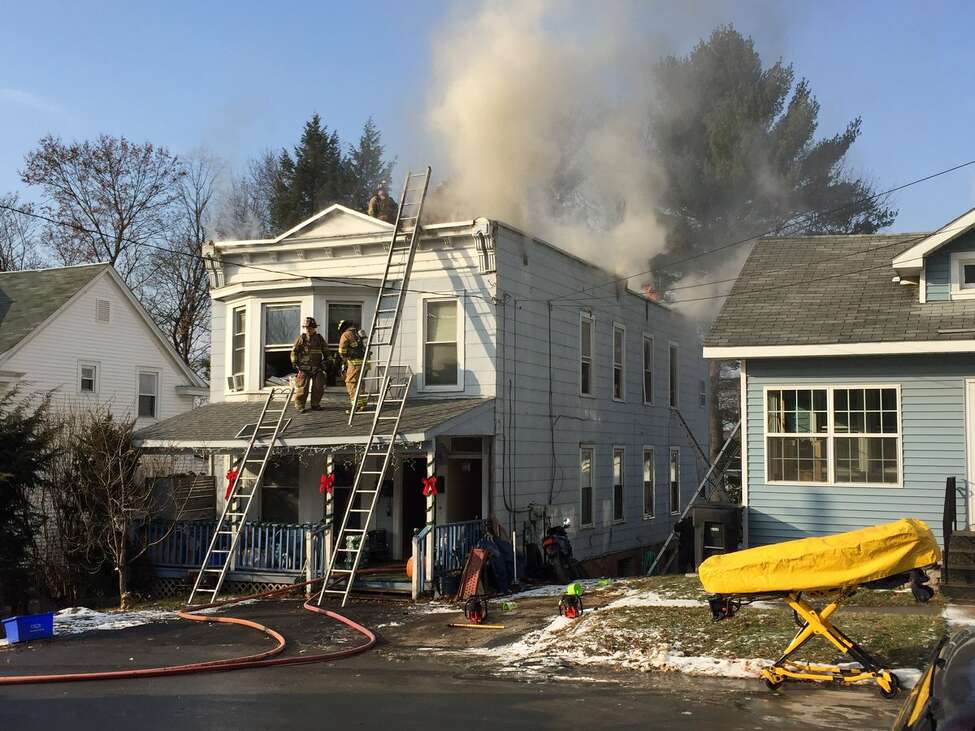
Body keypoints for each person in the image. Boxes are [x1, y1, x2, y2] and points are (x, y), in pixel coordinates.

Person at [290, 317, 327, 412]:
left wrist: (328, 361)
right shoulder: (301, 338)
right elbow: (294, 351)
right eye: (306, 327)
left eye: (309, 327)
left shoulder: (319, 338)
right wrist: (294, 361)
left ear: (314, 328)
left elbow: (326, 351)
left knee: (319, 386)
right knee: (302, 387)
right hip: (304, 367)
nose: (307, 329)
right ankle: (299, 405)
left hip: (317, 367)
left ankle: (315, 404)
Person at [337, 319, 366, 409]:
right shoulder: (359, 333)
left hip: (354, 364)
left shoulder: (346, 335)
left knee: (351, 383)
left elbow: (342, 351)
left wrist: (344, 358)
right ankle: (362, 404)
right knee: (360, 383)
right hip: (365, 364)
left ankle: (356, 405)